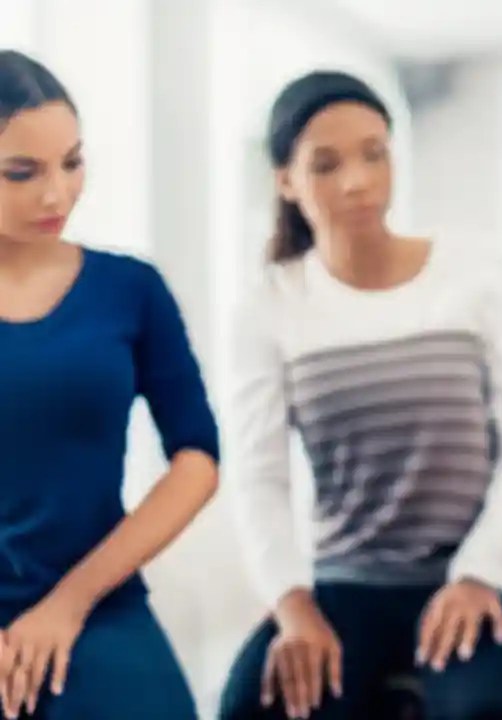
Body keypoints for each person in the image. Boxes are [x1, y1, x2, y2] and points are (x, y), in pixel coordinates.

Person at [218, 71, 502, 720]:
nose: (357, 181)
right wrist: (294, 609)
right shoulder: (268, 307)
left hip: (489, 575)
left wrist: (477, 575)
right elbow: (260, 479)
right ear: (286, 181)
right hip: (350, 584)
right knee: (252, 706)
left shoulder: (478, 271)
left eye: (374, 154)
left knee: (484, 709)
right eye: (326, 165)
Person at [0, 50, 219, 720]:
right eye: (22, 172)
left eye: (73, 162)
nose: (57, 194)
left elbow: (198, 457)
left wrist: (69, 603)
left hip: (96, 602)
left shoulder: (131, 289)